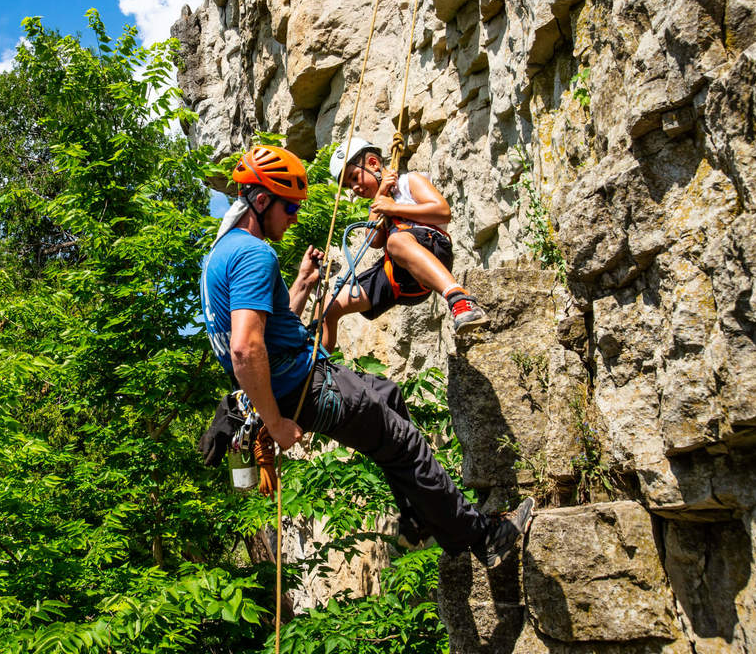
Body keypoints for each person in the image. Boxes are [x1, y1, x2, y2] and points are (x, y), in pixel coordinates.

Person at [199, 143, 532, 566]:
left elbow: (271, 327)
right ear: (261, 201)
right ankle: (484, 539)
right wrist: (275, 423)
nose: (296, 217)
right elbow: (245, 348)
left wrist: (301, 283)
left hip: (293, 381)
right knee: (404, 444)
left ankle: (418, 519)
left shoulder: (219, 255)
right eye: (290, 208)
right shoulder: (253, 254)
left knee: (387, 393)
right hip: (306, 388)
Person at [321, 137, 489, 351]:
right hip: (398, 271)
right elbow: (373, 241)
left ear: (373, 163)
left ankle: (459, 300)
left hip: (431, 247)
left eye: (354, 177)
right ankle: (318, 370)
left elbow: (442, 211)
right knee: (329, 304)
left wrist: (394, 209)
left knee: (397, 240)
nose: (354, 187)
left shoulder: (409, 182)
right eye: (348, 185)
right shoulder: (380, 203)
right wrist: (381, 198)